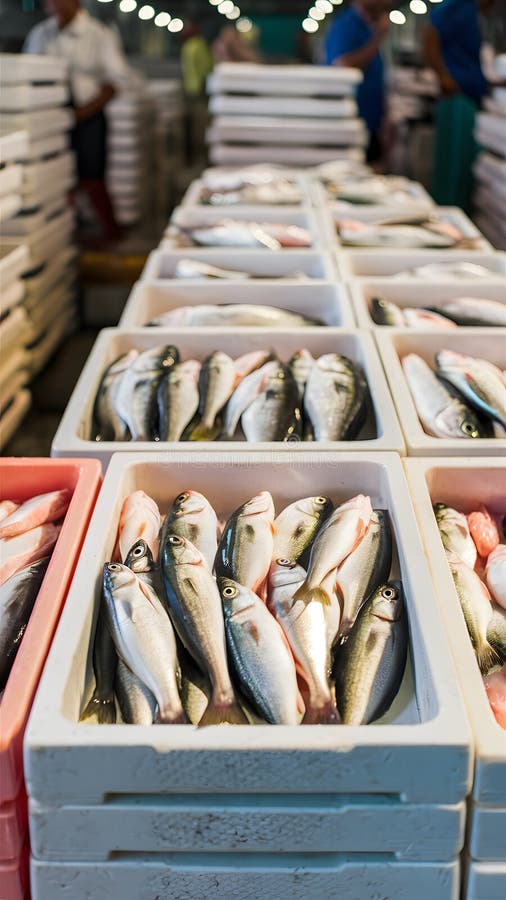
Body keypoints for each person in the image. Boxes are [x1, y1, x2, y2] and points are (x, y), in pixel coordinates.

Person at [24, 0, 129, 243]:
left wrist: (81, 113)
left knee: (92, 175)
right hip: (51, 122)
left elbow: (115, 83)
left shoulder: (98, 34)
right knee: (58, 176)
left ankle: (110, 233)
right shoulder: (41, 34)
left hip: (89, 116)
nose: (53, 5)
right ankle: (67, 232)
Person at [423, 0, 492, 210]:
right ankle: (446, 217)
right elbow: (429, 35)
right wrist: (444, 77)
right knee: (452, 169)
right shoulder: (457, 6)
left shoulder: (471, 12)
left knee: (462, 168)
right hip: (457, 99)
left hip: (467, 97)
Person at [325, 1, 390, 165]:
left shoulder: (367, 25)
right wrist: (378, 40)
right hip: (351, 118)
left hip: (369, 116)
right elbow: (342, 64)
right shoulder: (346, 25)